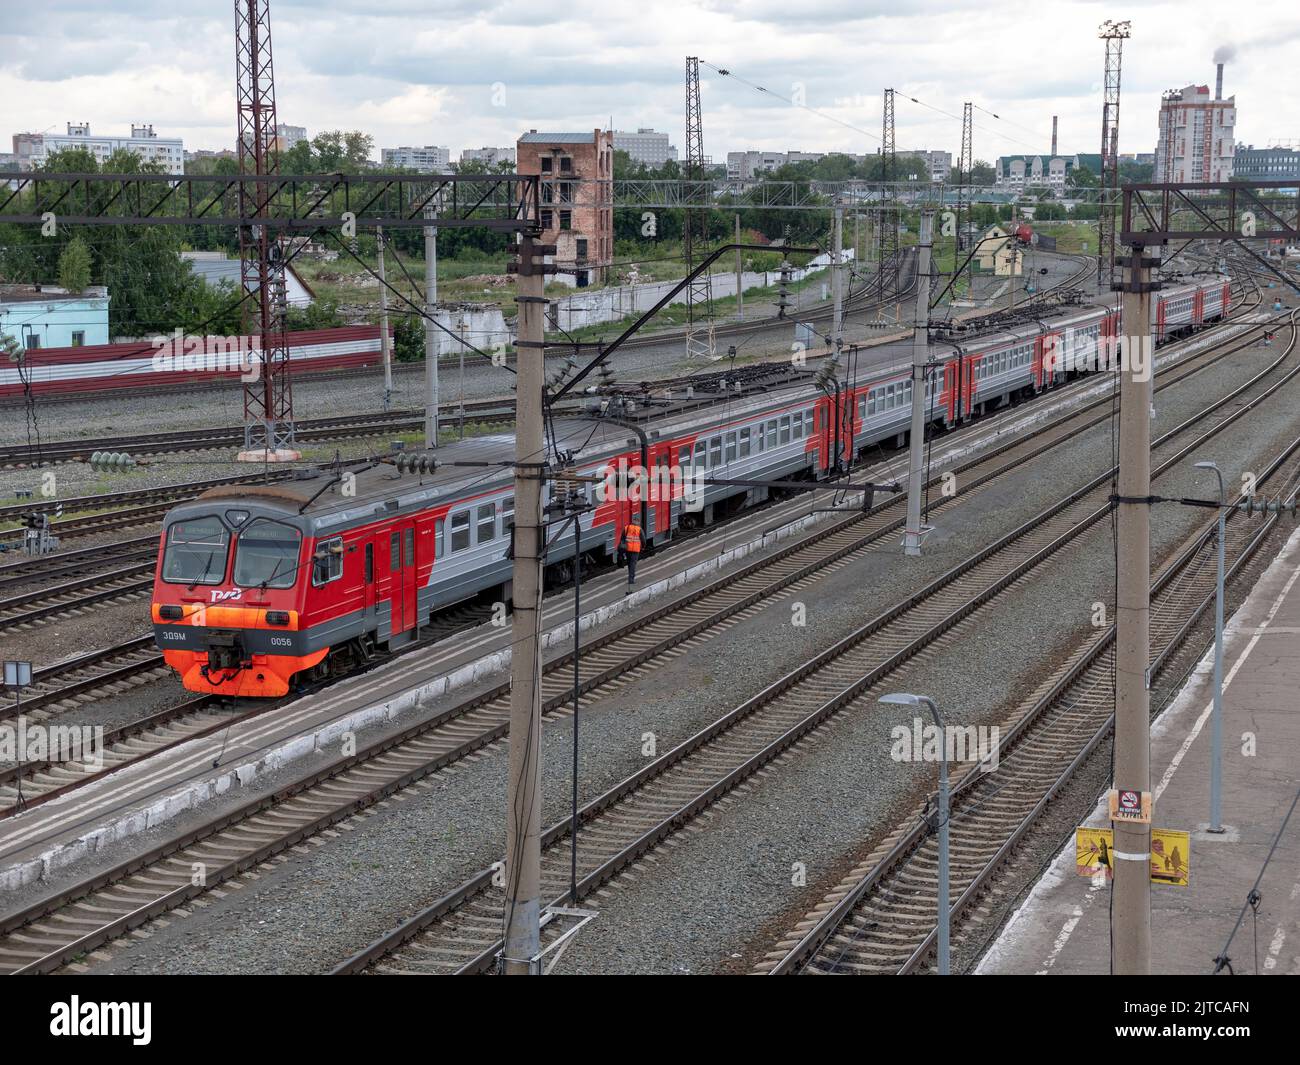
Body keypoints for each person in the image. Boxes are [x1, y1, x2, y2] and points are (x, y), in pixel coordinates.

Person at [619, 514, 643, 591]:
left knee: (629, 563)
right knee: (633, 564)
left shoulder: (626, 528)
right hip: (635, 550)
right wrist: (643, 546)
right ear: (638, 522)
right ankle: (631, 579)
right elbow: (643, 539)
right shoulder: (639, 529)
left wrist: (622, 547)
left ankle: (630, 576)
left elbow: (622, 538)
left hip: (628, 549)